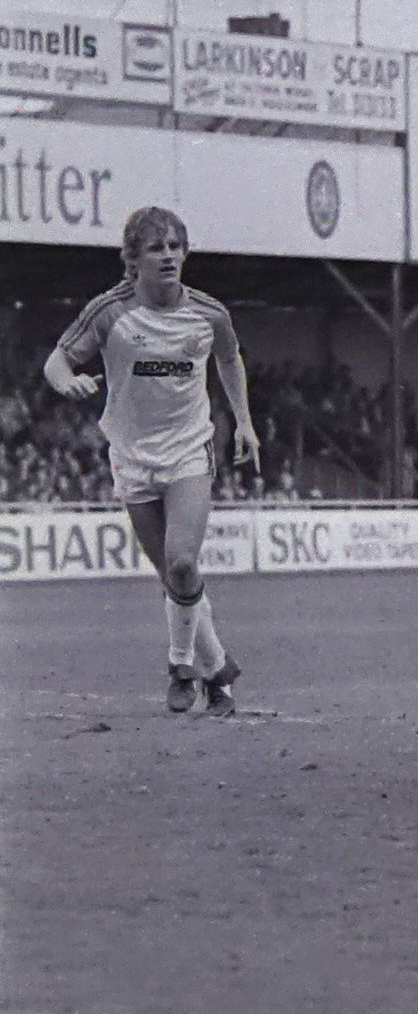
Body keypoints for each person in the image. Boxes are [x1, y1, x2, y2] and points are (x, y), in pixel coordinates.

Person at [43, 207, 261, 716]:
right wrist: (67, 381)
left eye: (175, 247)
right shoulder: (110, 311)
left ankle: (181, 666)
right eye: (155, 248)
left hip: (188, 450)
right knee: (174, 579)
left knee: (183, 562)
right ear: (133, 259)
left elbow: (229, 358)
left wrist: (244, 421)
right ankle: (220, 673)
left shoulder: (209, 314)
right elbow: (57, 360)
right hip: (131, 457)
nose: (168, 256)